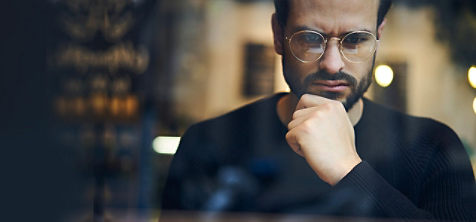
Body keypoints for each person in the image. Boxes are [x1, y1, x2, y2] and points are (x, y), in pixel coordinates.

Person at [161, 0, 476, 221]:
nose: (332, 64)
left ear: (378, 35)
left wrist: (349, 170)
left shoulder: (434, 147)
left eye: (354, 41)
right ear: (277, 35)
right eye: (311, 39)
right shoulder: (208, 143)